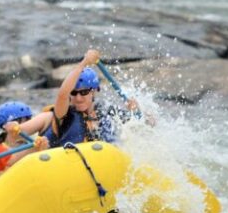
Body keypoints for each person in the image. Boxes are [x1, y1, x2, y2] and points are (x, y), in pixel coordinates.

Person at [11, 49, 141, 147]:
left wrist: (136, 111)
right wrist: (84, 63)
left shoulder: (108, 112)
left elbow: (142, 124)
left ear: (94, 91)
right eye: (73, 93)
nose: (78, 98)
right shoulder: (64, 114)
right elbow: (62, 95)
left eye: (84, 92)